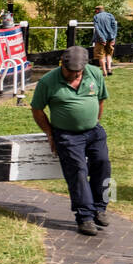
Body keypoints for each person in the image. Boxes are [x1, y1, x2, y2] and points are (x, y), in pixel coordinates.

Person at [30, 46, 111, 236]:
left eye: (77, 72)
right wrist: (50, 133)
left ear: (84, 67)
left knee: (104, 164)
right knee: (78, 171)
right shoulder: (48, 81)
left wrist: (94, 121)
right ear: (62, 64)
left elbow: (100, 100)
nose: (73, 75)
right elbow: (37, 109)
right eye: (69, 71)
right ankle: (85, 217)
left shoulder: (95, 73)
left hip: (94, 132)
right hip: (67, 135)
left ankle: (101, 208)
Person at [92, 4, 118, 76]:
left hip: (100, 40)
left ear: (97, 10)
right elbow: (114, 27)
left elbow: (97, 29)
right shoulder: (110, 15)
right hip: (110, 38)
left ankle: (104, 72)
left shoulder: (96, 17)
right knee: (109, 54)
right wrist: (113, 38)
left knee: (101, 55)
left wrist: (102, 39)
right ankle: (109, 69)